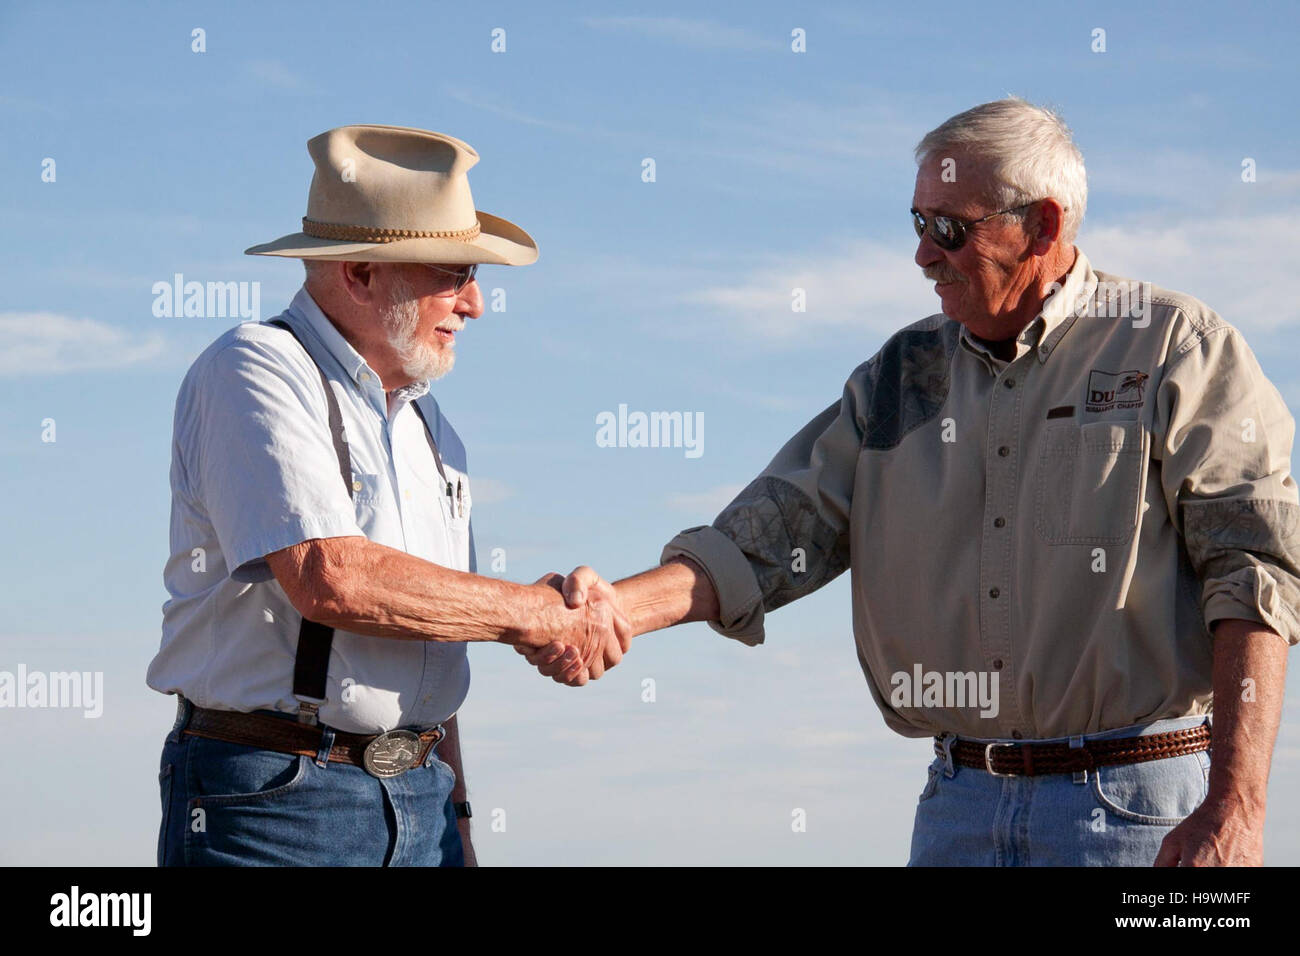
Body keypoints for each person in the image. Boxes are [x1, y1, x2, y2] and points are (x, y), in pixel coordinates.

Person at [529, 98, 1299, 866]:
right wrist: (611, 610)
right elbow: (768, 539)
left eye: (949, 229)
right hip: (957, 808)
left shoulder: (1176, 348)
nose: (924, 256)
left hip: (1143, 815)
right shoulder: (898, 377)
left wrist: (1237, 808)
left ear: (1043, 227)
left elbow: (1256, 574)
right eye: (917, 224)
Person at [147, 124, 626, 867]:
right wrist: (537, 612)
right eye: (454, 273)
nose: (475, 304)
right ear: (363, 273)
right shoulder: (254, 369)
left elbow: (435, 633)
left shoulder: (430, 424)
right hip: (277, 802)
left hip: (420, 796)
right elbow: (330, 576)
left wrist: (456, 815)